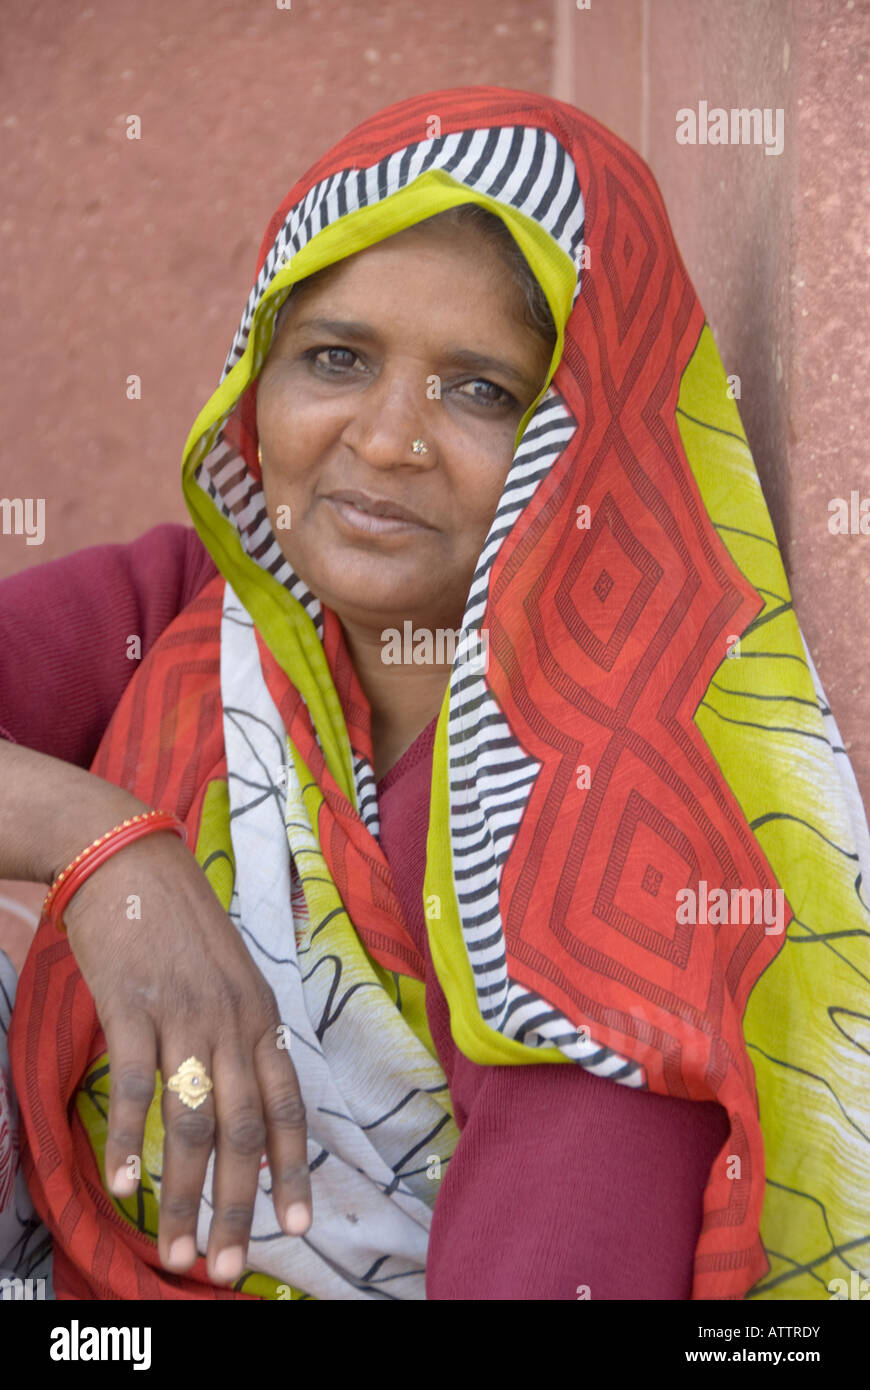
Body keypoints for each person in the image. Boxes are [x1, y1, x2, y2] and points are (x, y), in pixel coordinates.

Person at [1, 86, 868, 1302]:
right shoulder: (211, 603)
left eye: (480, 391)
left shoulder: (607, 835)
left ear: (586, 439)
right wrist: (106, 851)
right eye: (336, 358)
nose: (388, 439)